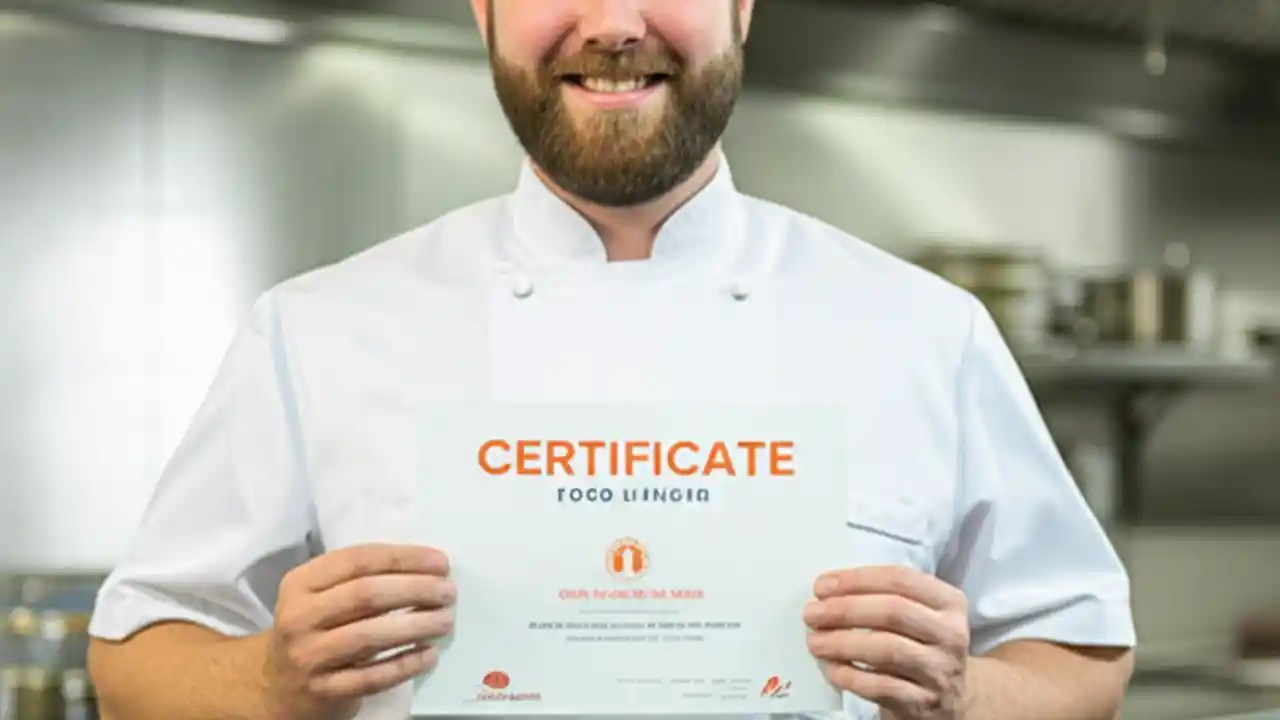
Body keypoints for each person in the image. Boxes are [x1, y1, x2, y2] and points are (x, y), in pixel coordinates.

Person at [86, 1, 1137, 719]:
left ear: (743, 6)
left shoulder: (926, 330)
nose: (614, 25)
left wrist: (966, 695)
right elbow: (133, 662)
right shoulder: (315, 329)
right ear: (482, 8)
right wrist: (271, 681)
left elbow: (1081, 655)